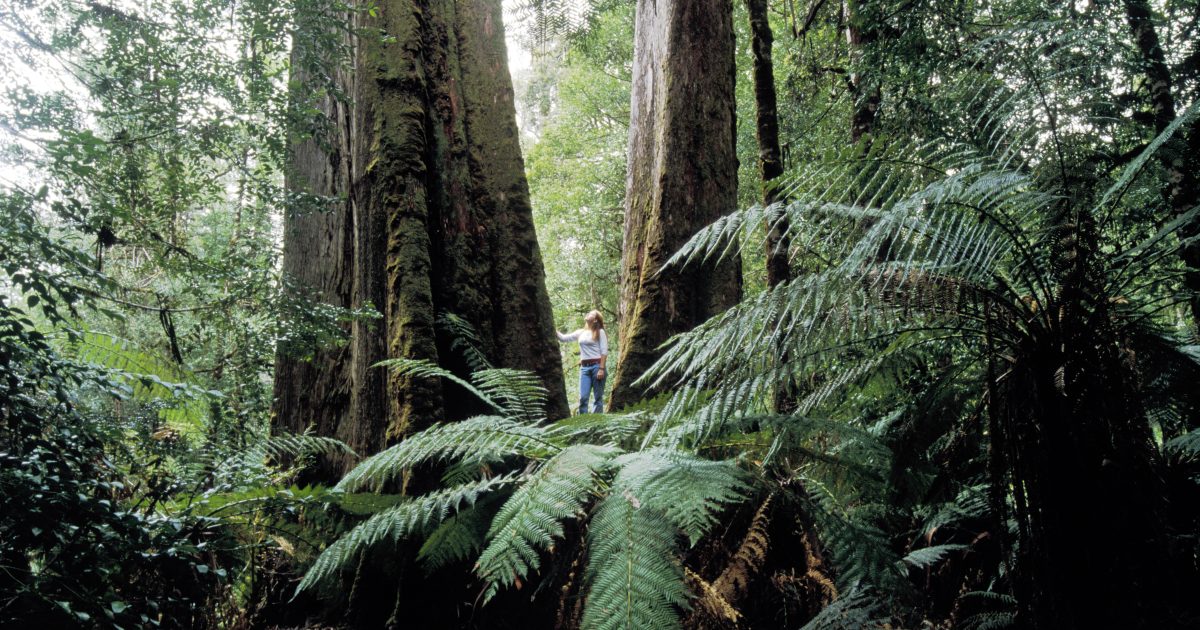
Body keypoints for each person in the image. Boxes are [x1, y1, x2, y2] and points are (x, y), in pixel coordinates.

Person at [557, 310, 608, 414]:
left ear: (595, 320)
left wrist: (601, 369)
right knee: (583, 398)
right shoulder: (581, 332)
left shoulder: (600, 332)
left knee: (598, 398)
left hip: (597, 367)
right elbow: (563, 338)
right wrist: (553, 328)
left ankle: (596, 424)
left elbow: (604, 351)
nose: (588, 314)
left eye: (591, 314)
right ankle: (583, 424)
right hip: (584, 368)